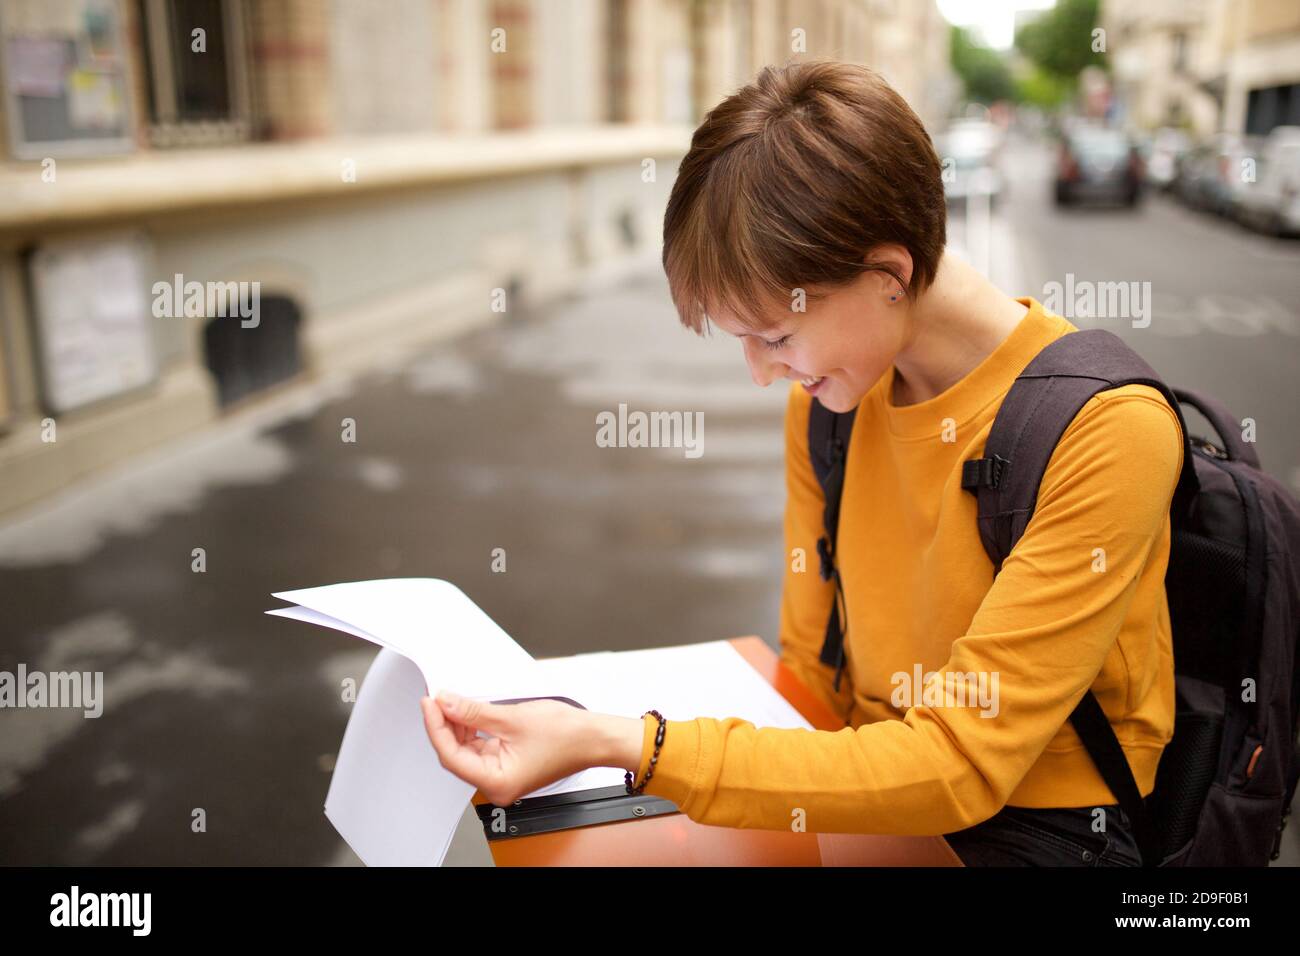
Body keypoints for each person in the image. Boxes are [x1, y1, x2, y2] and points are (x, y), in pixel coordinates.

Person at [421, 60, 1182, 866]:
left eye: (776, 337)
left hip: (1042, 827)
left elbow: (963, 765)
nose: (759, 372)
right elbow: (814, 682)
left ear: (889, 275)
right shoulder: (829, 410)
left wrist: (625, 744)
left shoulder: (1105, 429)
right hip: (863, 779)